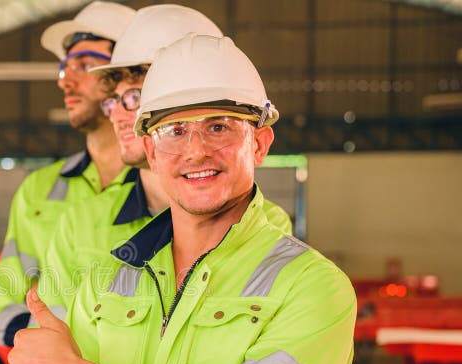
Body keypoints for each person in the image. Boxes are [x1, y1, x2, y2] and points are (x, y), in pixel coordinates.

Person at [8, 34, 356, 364]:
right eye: (173, 131)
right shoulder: (107, 280)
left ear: (259, 141)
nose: (195, 150)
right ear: (149, 149)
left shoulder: (312, 287)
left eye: (219, 126)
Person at [42, 4, 292, 320]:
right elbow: (49, 351)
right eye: (115, 100)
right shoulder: (80, 223)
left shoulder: (268, 229)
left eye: (136, 96)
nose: (119, 116)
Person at [0, 3, 135, 364]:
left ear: (131, 76)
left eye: (86, 61)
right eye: (63, 65)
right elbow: (8, 298)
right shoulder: (40, 190)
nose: (66, 77)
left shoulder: (168, 191)